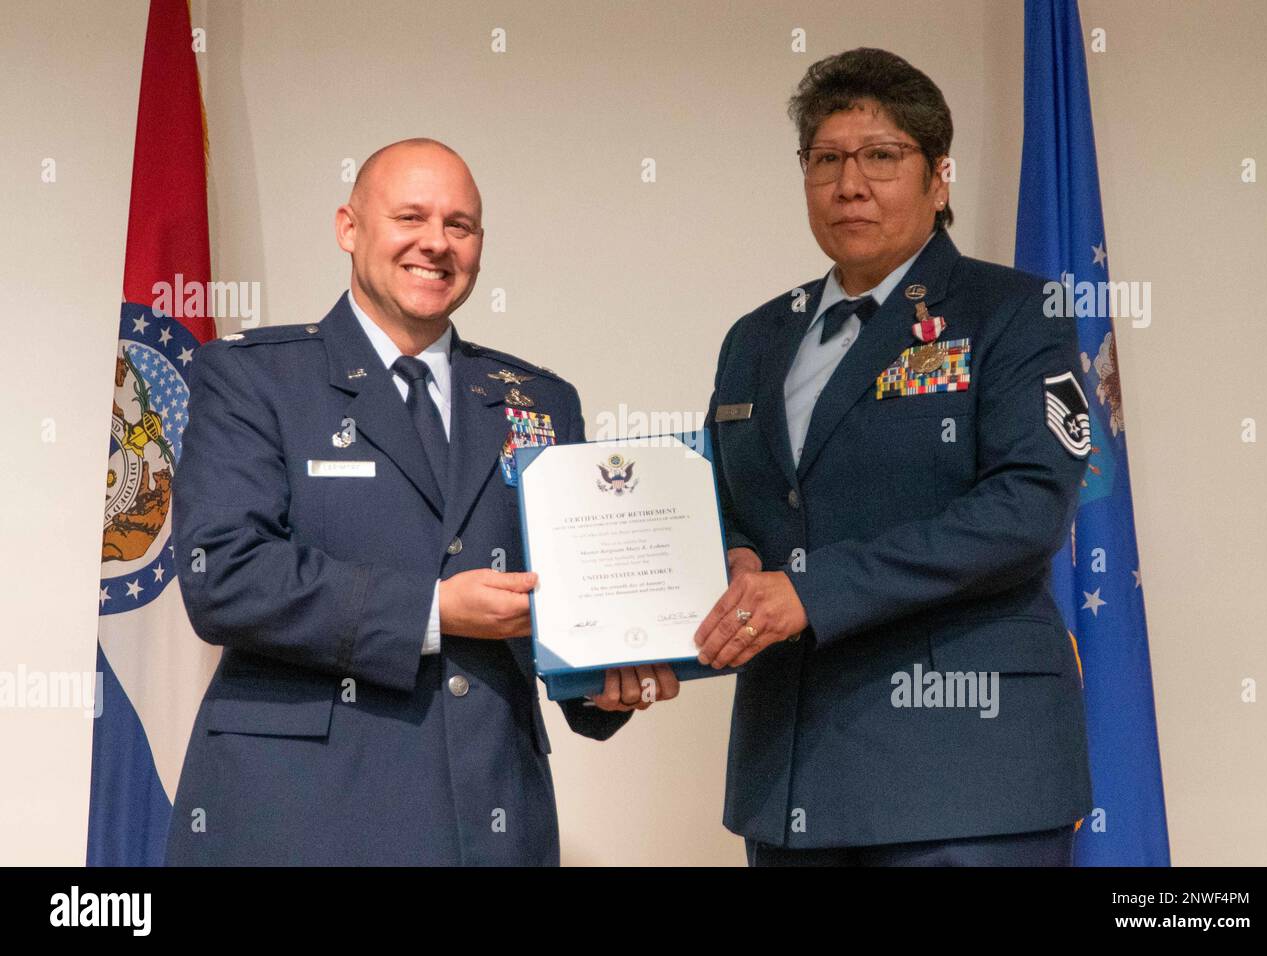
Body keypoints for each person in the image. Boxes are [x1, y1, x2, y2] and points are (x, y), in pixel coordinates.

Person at [165, 138, 677, 866]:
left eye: (459, 225)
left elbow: (567, 600)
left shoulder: (537, 401)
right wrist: (432, 613)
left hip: (487, 812)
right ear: (349, 228)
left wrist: (605, 678)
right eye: (411, 217)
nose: (436, 243)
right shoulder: (255, 380)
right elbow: (226, 577)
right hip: (298, 814)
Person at [695, 49, 1093, 866]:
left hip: (964, 772)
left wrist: (810, 589)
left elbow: (1024, 511)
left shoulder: (1012, 313)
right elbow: (732, 499)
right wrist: (729, 551)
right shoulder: (756, 337)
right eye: (826, 160)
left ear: (938, 177)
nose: (850, 185)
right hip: (794, 771)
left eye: (881, 156)